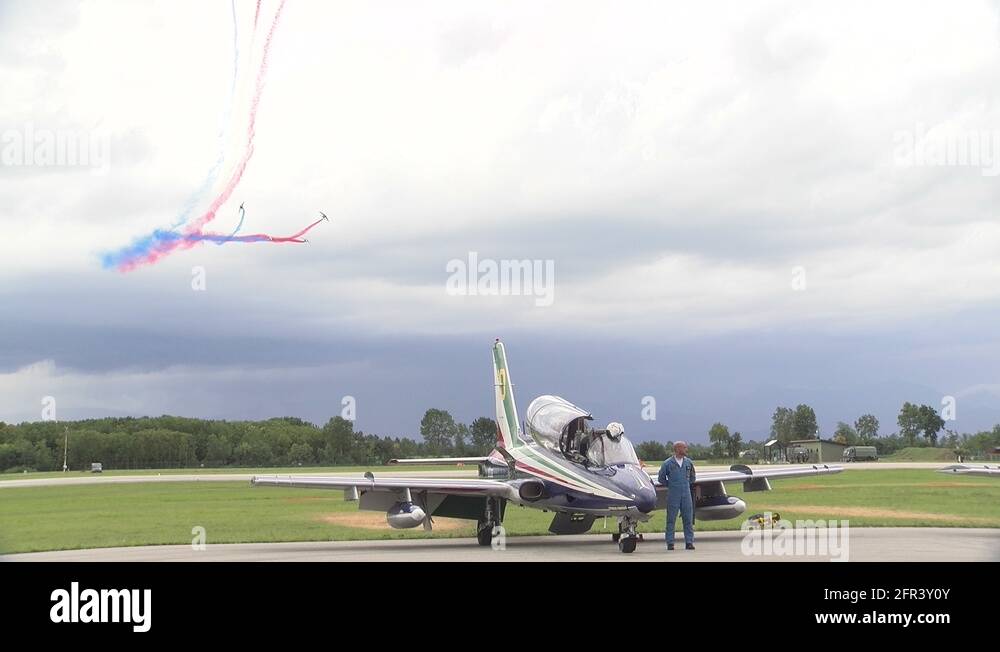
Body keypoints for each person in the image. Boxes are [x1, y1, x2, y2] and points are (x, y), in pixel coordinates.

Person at [657, 441, 696, 550]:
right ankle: (670, 542)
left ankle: (689, 542)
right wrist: (671, 485)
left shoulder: (688, 463)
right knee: (671, 519)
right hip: (673, 495)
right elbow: (661, 478)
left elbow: (693, 477)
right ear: (678, 449)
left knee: (688, 519)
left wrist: (686, 484)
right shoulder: (667, 463)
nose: (686, 449)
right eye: (684, 447)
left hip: (686, 494)